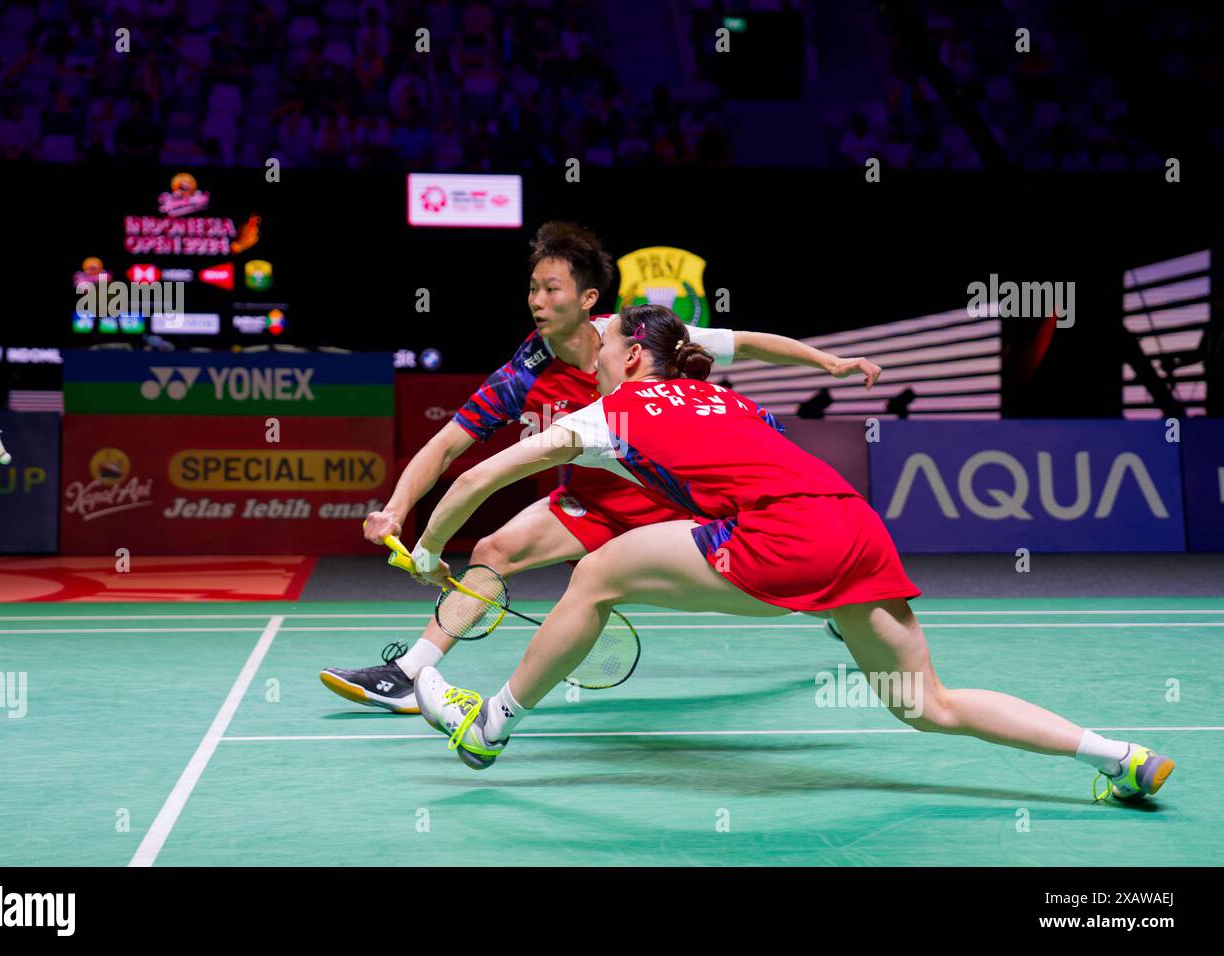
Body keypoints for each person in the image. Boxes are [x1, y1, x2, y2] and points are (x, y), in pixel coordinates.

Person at [403, 304, 1175, 805]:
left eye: (603, 344)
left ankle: (490, 725)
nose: (593, 355)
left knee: (599, 573)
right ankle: (1116, 756)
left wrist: (432, 549)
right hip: (857, 527)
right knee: (925, 704)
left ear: (636, 356)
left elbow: (479, 474)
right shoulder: (727, 399)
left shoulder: (613, 410)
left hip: (782, 536)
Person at [320, 222, 881, 713]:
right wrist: (396, 510)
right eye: (532, 288)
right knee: (493, 551)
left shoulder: (640, 337)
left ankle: (831, 602)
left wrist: (827, 362)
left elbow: (746, 342)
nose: (536, 300)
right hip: (590, 504)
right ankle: (410, 674)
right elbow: (448, 446)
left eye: (551, 288)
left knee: (756, 567)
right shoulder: (526, 372)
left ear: (589, 298)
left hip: (672, 506)